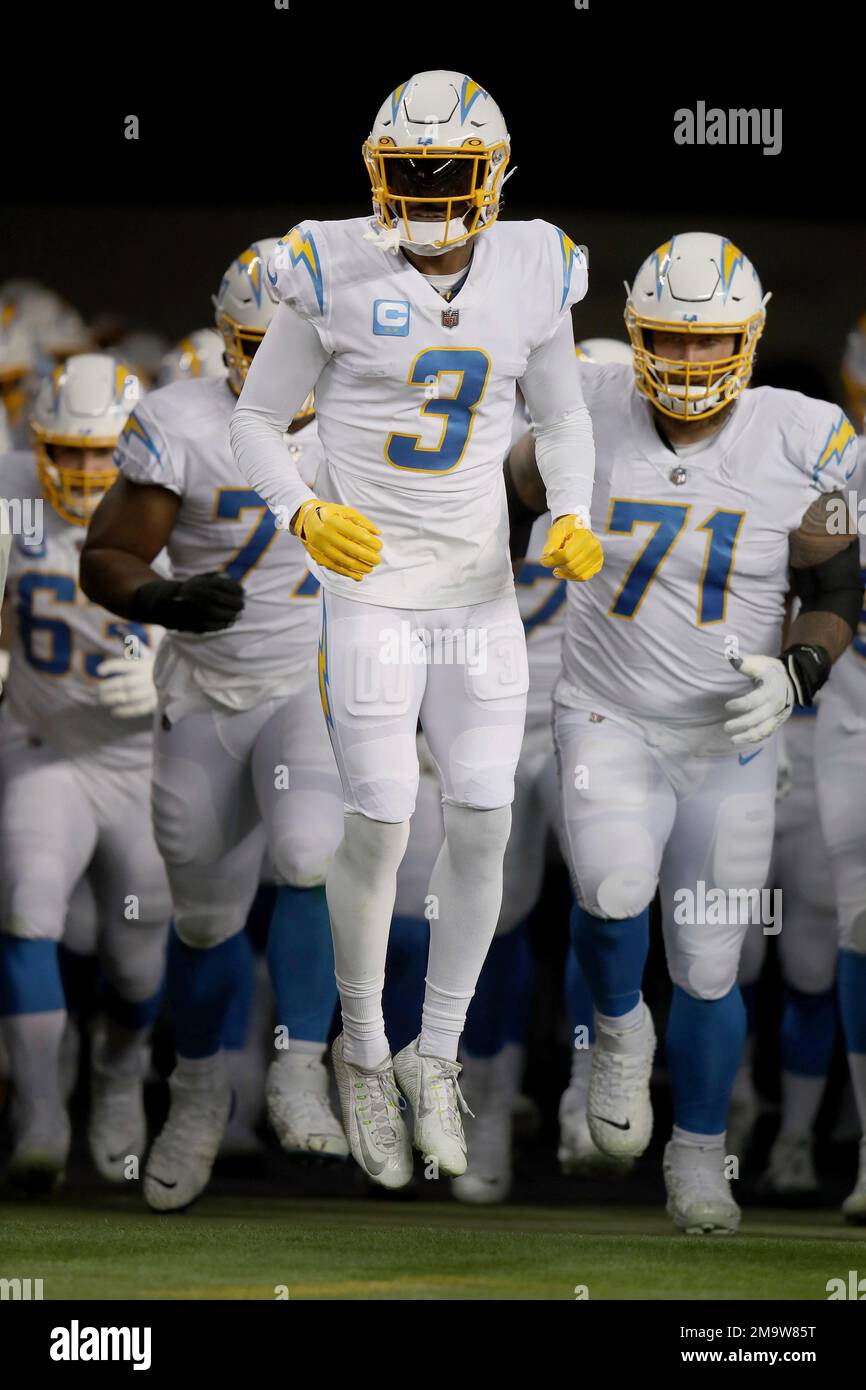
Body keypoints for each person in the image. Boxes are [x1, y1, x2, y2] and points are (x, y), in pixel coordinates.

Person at [229, 69, 602, 1189]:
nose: (430, 194)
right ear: (374, 173)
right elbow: (256, 417)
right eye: (411, 172)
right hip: (376, 585)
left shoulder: (537, 262)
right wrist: (301, 507)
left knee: (481, 824)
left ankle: (434, 1058)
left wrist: (575, 512)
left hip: (481, 590)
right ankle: (360, 1046)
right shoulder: (323, 260)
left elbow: (564, 411)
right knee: (383, 822)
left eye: (447, 172)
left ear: (491, 177)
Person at [505, 232, 860, 1231]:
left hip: (731, 735)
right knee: (610, 888)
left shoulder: (802, 436)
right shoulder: (580, 407)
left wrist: (799, 668)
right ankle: (617, 1028)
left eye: (709, 342)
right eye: (668, 337)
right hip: (607, 710)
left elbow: (832, 585)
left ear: (745, 338)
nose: (690, 360)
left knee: (708, 962)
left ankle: (697, 1157)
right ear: (632, 331)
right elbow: (502, 501)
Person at [80, 242, 347, 1211]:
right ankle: (196, 1089)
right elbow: (107, 552)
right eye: (255, 342)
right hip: (203, 689)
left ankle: (301, 1063)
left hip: (311, 685)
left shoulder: (382, 418)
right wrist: (162, 597)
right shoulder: (182, 421)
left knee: (312, 853)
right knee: (202, 919)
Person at [0, 353, 171, 1192]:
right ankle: (38, 1115)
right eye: (67, 451)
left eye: (102, 453)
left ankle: (118, 1067)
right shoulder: (11, 496)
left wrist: (170, 670)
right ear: (39, 447)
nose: (85, 470)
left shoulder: (180, 498)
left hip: (146, 763)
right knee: (29, 909)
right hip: (45, 751)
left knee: (137, 964)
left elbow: (246, 632)